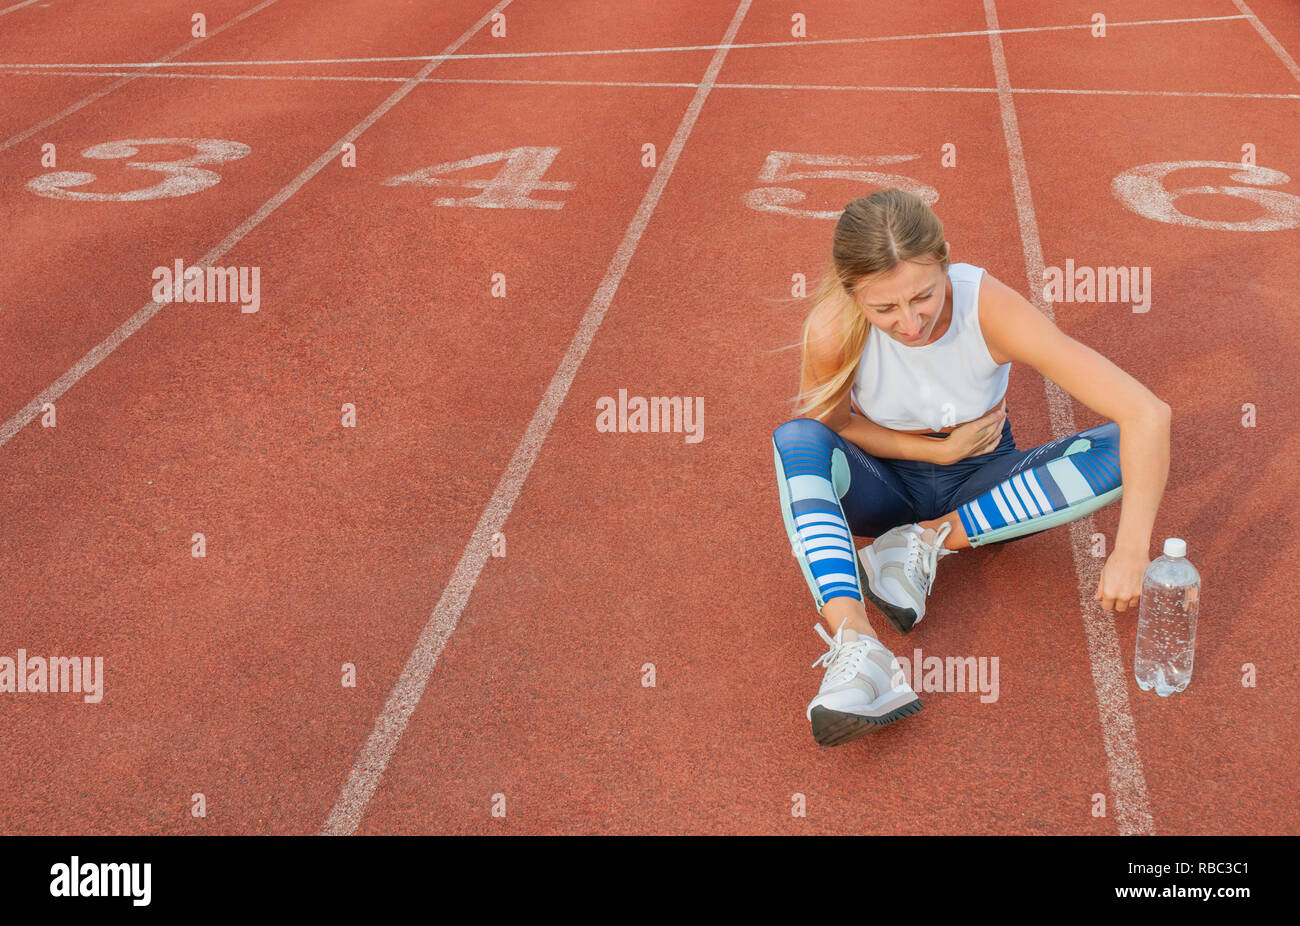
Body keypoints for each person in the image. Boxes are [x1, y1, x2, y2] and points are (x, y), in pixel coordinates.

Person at [772, 188, 1171, 747]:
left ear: (945, 261)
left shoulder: (991, 309)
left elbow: (1147, 413)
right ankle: (860, 647)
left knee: (1114, 450)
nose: (910, 323)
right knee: (796, 438)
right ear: (850, 291)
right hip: (883, 480)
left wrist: (1131, 549)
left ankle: (926, 540)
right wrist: (935, 451)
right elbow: (833, 424)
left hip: (980, 484)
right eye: (884, 309)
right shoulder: (832, 329)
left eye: (923, 297)